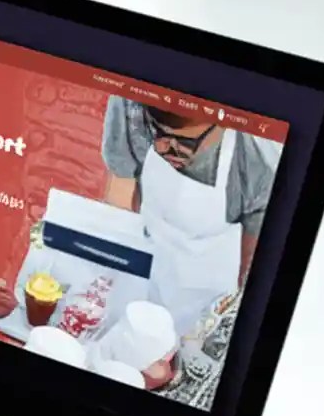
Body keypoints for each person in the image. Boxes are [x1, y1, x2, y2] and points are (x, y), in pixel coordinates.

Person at [100, 96, 281, 334]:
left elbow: (249, 275)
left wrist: (212, 332)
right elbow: (120, 196)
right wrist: (109, 279)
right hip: (141, 265)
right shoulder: (130, 103)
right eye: (157, 132)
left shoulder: (260, 162)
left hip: (203, 301)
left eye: (185, 141)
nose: (166, 148)